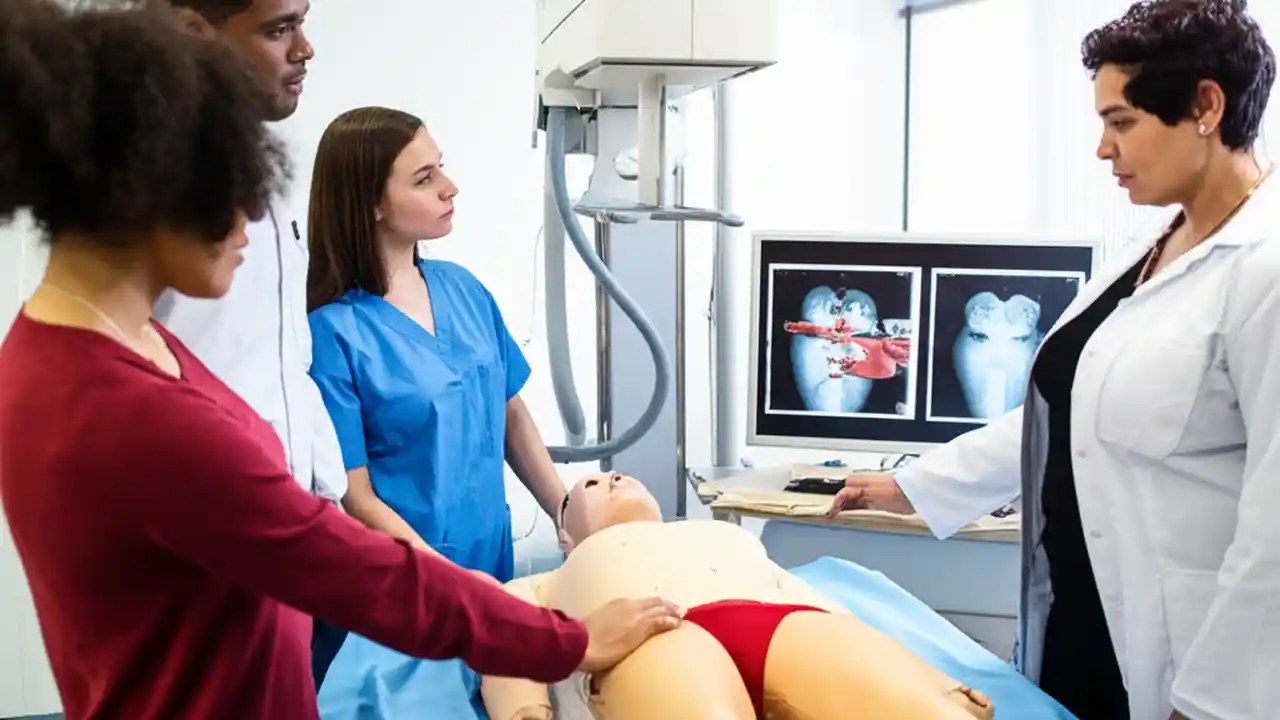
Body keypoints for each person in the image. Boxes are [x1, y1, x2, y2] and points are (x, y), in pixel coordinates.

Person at [0, 3, 681, 719]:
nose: (250, 228)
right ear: (144, 186)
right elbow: (354, 567)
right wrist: (564, 641)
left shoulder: (78, 351)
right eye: (234, 189)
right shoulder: (137, 415)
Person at [827, 2, 1278, 718]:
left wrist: (1214, 704)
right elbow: (1070, 410)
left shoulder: (1265, 268)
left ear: (1206, 106)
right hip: (1083, 631)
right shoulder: (1155, 250)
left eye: (1121, 121)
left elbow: (1273, 534)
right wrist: (914, 486)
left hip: (1192, 667)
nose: (1103, 149)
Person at [153, 0, 350, 687]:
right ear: (191, 31)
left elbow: (280, 362)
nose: (306, 48)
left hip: (295, 523)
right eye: (278, 29)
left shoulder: (262, 168)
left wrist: (325, 497)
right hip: (216, 544)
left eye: (304, 21)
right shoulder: (153, 182)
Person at [480, 472, 997, 720]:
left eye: (620, 476)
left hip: (779, 623)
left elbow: (829, 611)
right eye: (589, 485)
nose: (611, 477)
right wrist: (525, 711)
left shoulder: (724, 536)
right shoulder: (559, 573)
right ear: (566, 537)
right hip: (651, 636)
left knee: (904, 699)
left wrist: (930, 677)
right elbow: (508, 641)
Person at [305, 106, 568, 583]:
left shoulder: (463, 289)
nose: (450, 186)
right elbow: (355, 496)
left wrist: (565, 511)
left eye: (440, 167)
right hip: (406, 584)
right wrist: (443, 581)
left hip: (489, 560)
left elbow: (510, 413)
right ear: (372, 204)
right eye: (424, 178)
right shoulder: (333, 333)